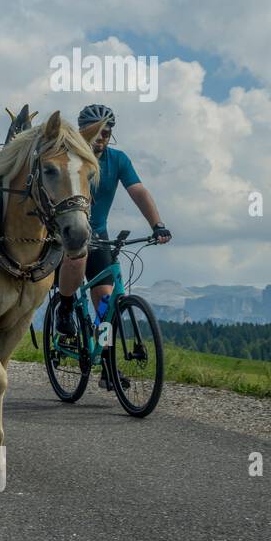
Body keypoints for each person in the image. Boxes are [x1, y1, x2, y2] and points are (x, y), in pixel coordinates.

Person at [54, 105, 173, 364]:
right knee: (77, 258)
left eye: (106, 133)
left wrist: (157, 225)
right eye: (93, 133)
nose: (100, 138)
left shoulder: (118, 159)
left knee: (105, 302)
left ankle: (106, 356)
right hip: (67, 234)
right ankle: (64, 307)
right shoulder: (68, 157)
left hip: (98, 234)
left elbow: (138, 190)